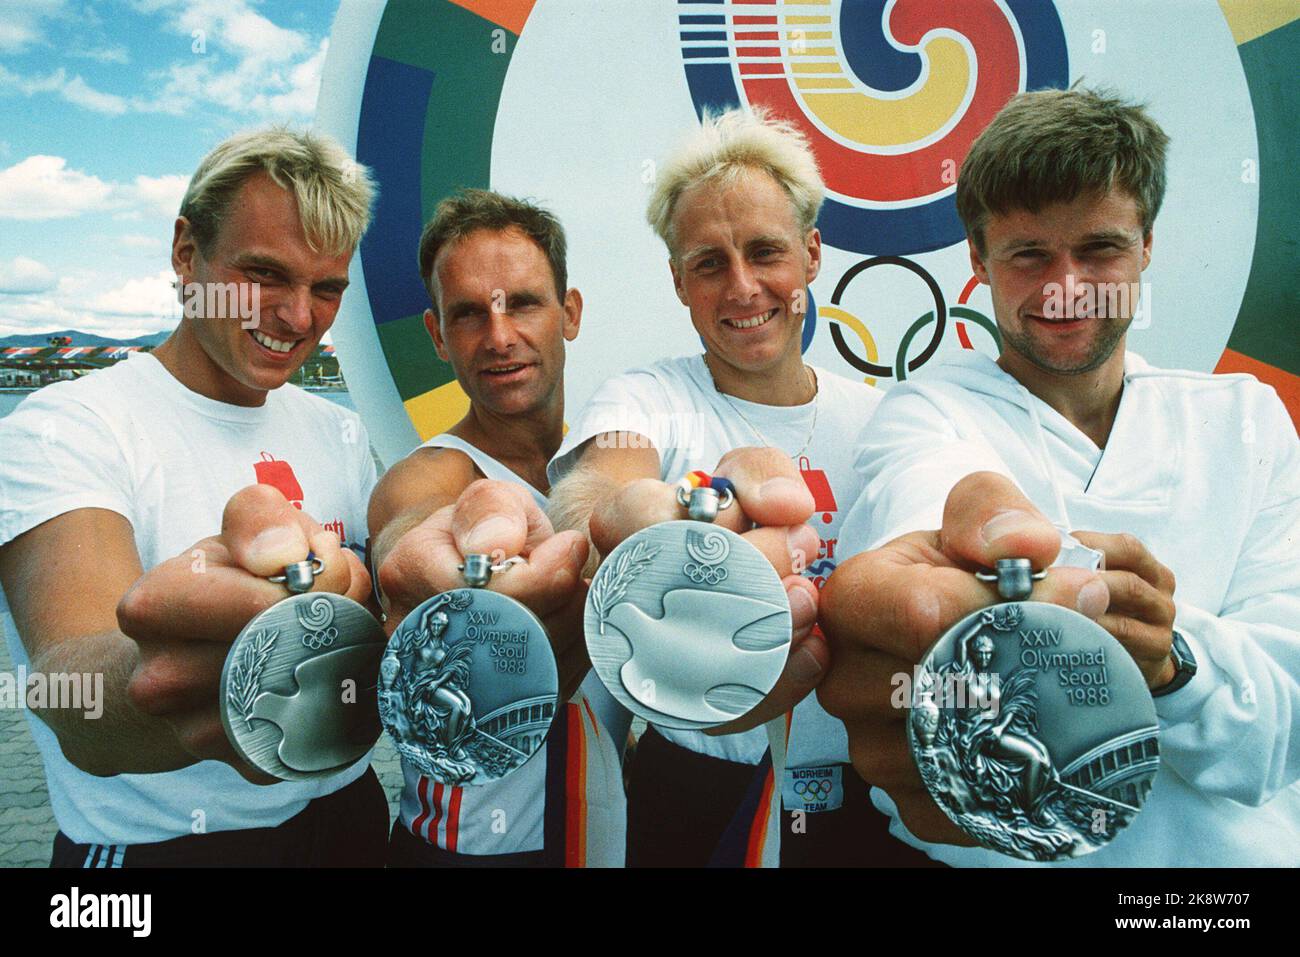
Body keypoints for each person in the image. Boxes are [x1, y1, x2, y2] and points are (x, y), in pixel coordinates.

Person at [819, 87, 1300, 866]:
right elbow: (925, 537)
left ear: (1149, 245)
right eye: (1029, 254)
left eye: (1100, 249)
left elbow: (1281, 737)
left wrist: (1168, 656)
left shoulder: (1249, 422)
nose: (1066, 286)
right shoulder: (927, 415)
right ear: (978, 261)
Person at [546, 108, 933, 867]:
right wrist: (635, 525)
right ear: (678, 281)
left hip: (871, 794)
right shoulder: (644, 398)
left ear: (813, 254)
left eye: (765, 252)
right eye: (710, 263)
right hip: (697, 792)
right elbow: (598, 489)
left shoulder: (885, 416)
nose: (744, 286)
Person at [0, 128, 387, 867]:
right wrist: (184, 677)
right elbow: (70, 678)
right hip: (159, 849)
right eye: (265, 275)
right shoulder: (68, 426)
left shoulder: (338, 431)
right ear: (187, 254)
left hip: (349, 815)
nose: (299, 317)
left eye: (326, 288)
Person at [366, 189, 626, 867]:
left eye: (524, 303)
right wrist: (425, 561)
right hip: (466, 853)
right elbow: (409, 526)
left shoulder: (606, 470)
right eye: (469, 314)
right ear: (437, 335)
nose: (500, 336)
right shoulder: (429, 474)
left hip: (610, 841)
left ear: (569, 313)